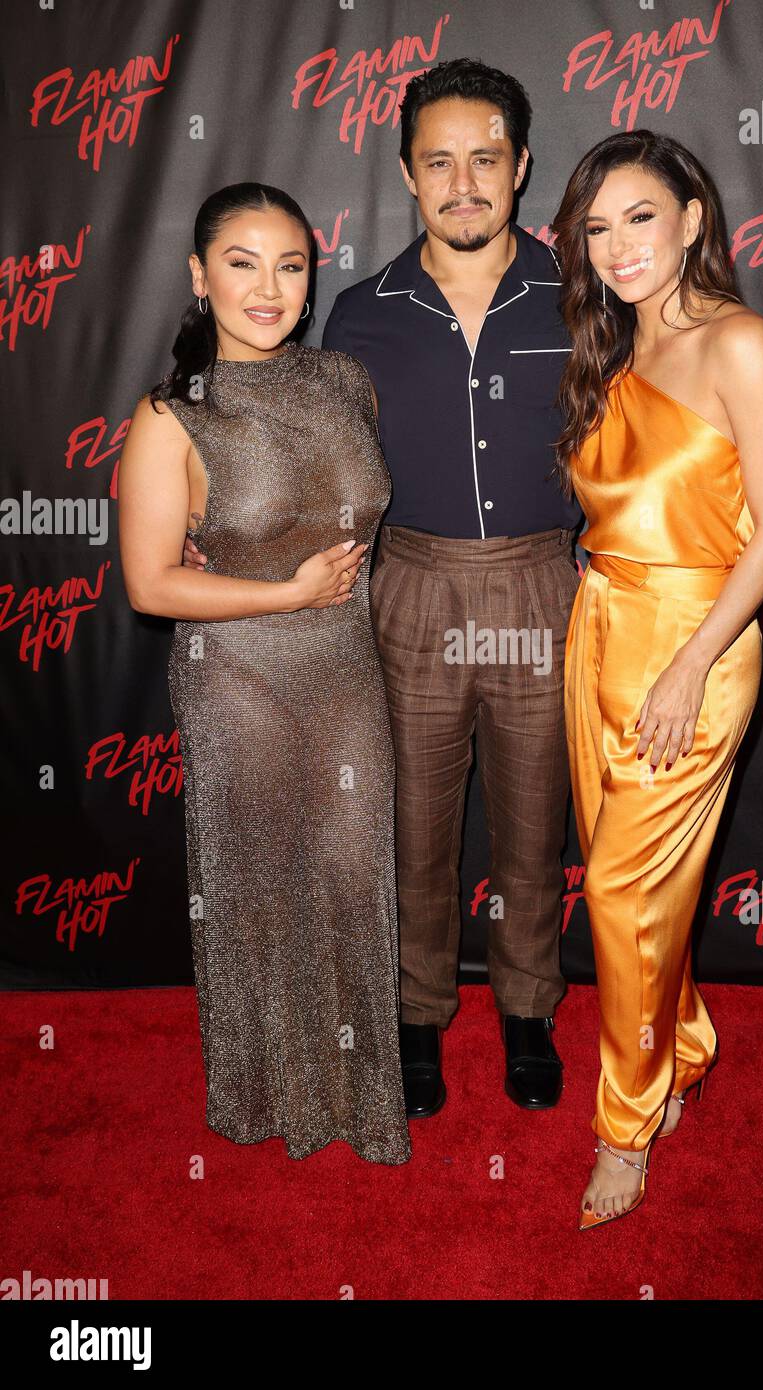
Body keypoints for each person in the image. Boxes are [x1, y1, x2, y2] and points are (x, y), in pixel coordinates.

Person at [186, 60, 583, 1118]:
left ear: (520, 169)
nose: (464, 182)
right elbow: (310, 454)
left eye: (485, 160)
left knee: (534, 822)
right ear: (407, 174)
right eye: (439, 161)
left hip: (544, 584)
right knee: (407, 820)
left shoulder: (577, 293)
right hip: (409, 587)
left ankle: (528, 1012)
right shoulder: (360, 314)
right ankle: (415, 1016)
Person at [118, 183, 411, 1164]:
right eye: (241, 263)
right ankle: (266, 1091)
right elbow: (151, 582)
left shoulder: (343, 381)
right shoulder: (173, 418)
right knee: (257, 882)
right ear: (200, 276)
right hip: (237, 671)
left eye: (290, 265)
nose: (268, 286)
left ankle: (358, 1092)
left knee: (350, 868)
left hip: (345, 668)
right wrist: (284, 594)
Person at [552, 132, 763, 1228]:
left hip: (692, 643)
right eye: (596, 229)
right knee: (632, 885)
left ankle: (627, 1124)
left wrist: (689, 663)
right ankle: (682, 1041)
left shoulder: (741, 342)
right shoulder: (612, 349)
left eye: (639, 217)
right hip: (598, 624)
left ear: (693, 217)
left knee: (617, 889)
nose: (616, 247)